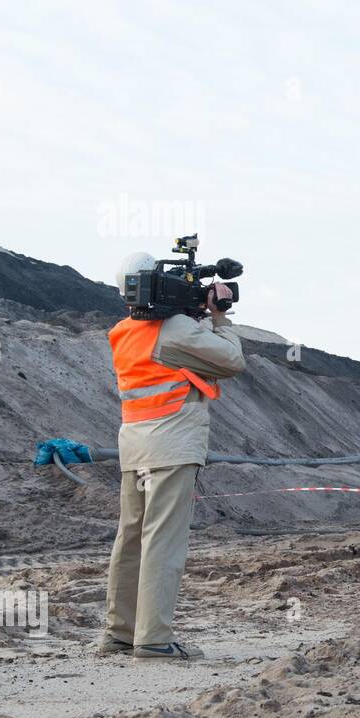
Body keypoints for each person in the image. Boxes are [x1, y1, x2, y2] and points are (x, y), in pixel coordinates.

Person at [100, 251, 246, 661]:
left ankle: (119, 633)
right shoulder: (177, 330)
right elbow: (232, 362)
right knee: (163, 542)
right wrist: (217, 317)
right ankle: (154, 640)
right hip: (171, 445)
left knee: (130, 541)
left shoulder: (124, 332)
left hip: (135, 446)